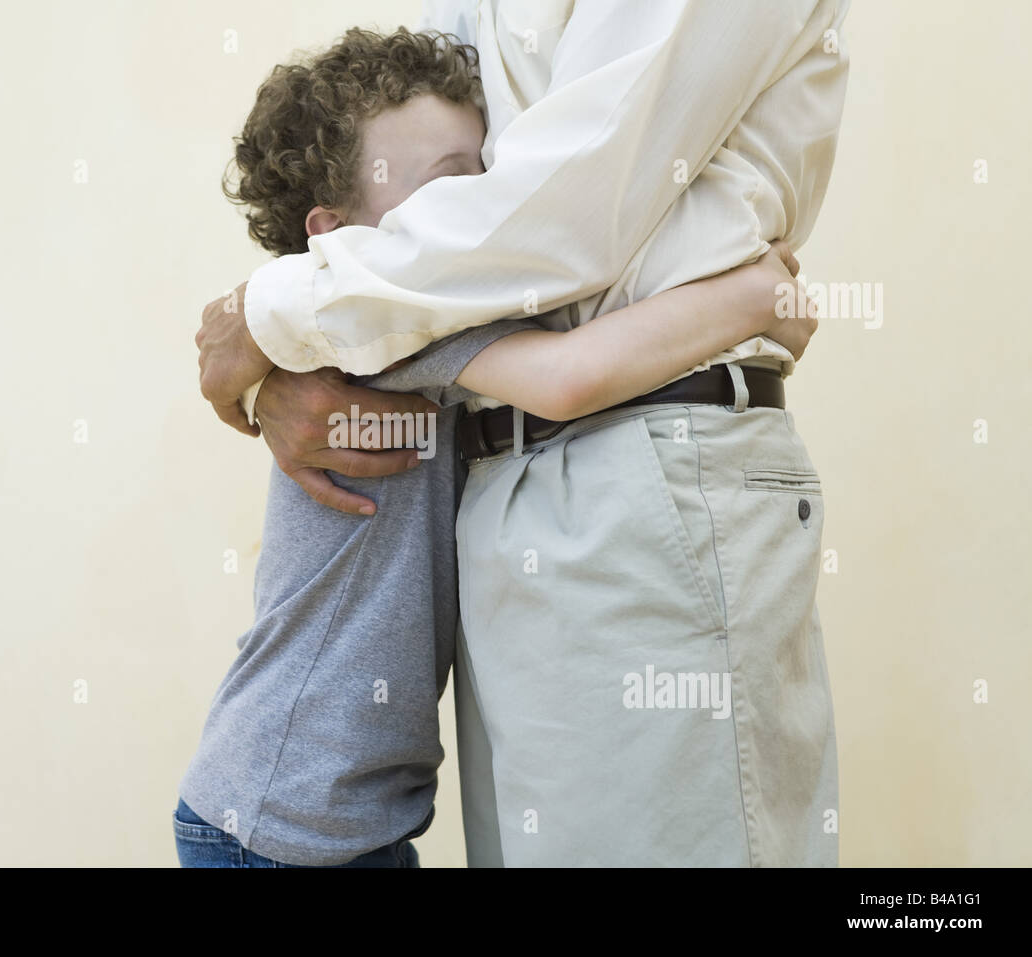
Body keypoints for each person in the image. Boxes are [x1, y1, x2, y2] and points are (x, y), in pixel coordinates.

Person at [195, 0, 851, 866]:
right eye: (449, 185)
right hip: (295, 812)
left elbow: (563, 211)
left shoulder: (395, 324)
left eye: (477, 180)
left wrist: (281, 317)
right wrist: (752, 297)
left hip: (321, 809)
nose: (465, 210)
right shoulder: (400, 335)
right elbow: (559, 360)